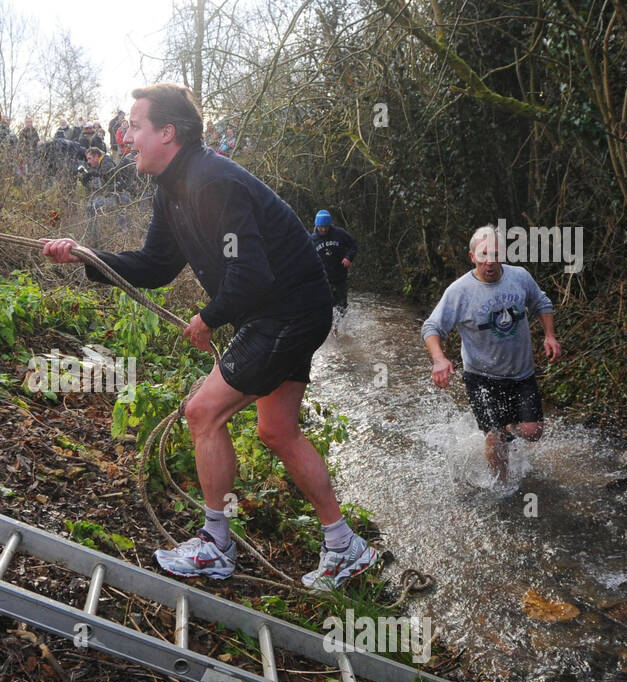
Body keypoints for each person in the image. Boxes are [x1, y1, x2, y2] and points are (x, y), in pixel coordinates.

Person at [42, 83, 377, 588]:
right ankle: (344, 544)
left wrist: (209, 317)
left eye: (135, 126)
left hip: (286, 312)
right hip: (280, 313)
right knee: (276, 430)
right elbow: (155, 265)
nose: (125, 136)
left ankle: (216, 546)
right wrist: (86, 257)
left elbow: (253, 273)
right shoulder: (172, 189)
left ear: (168, 133)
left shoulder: (210, 182)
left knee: (202, 411)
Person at [422, 224, 562, 482]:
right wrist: (439, 359)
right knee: (494, 435)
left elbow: (541, 302)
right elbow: (432, 326)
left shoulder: (519, 277)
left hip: (521, 373)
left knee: (533, 431)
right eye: (484, 254)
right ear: (473, 257)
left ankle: (509, 428)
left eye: (495, 254)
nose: (490, 261)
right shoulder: (459, 291)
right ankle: (502, 485)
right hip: (482, 377)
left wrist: (550, 335)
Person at [310, 209, 357, 328]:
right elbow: (306, 259)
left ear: (330, 225)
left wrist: (348, 257)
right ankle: (332, 329)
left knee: (342, 306)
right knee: (329, 306)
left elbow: (353, 245)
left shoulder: (340, 233)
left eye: (326, 226)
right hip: (323, 279)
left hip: (340, 276)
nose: (324, 229)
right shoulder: (312, 240)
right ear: (317, 225)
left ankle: (339, 326)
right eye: (321, 227)